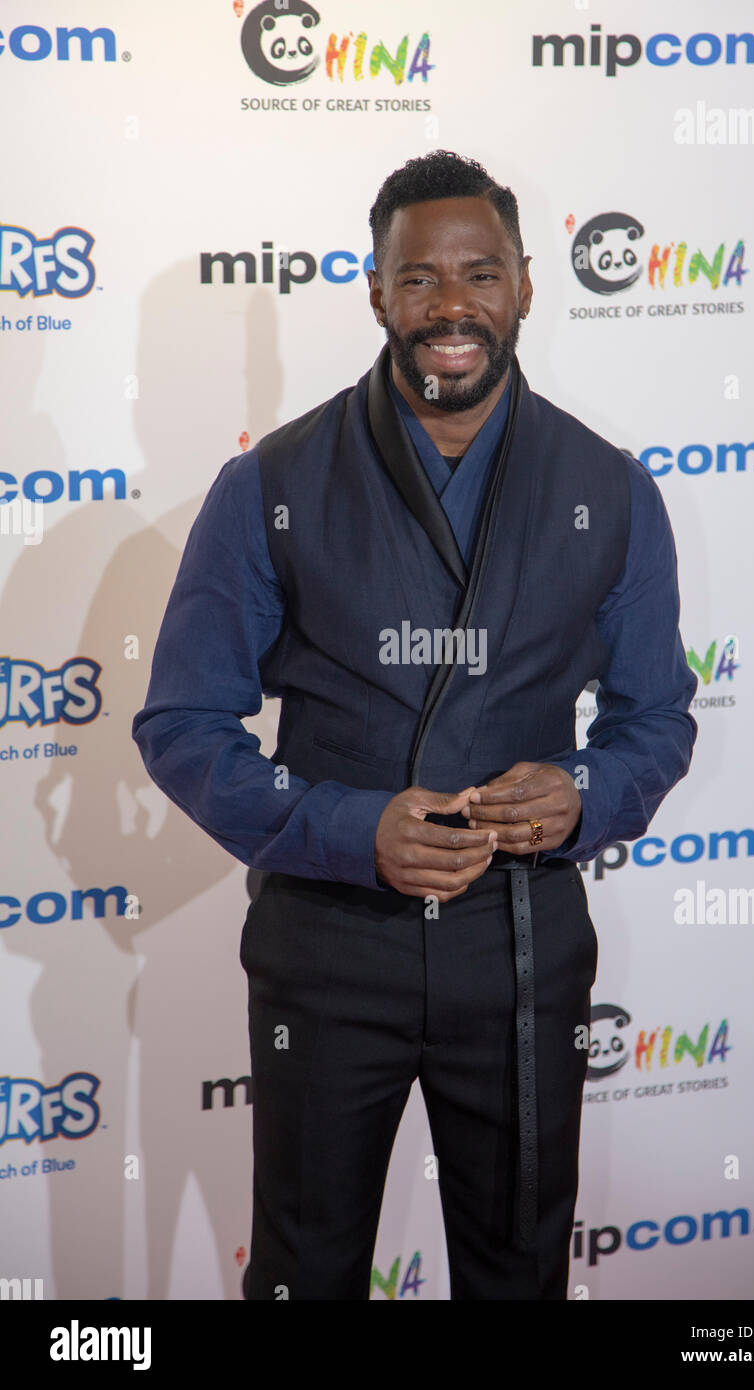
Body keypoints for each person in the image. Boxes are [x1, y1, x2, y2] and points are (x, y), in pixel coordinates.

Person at [132, 150, 698, 1301]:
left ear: (526, 284)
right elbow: (184, 722)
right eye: (419, 278)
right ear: (377, 291)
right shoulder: (271, 484)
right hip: (329, 946)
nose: (451, 306)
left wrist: (585, 793)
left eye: (479, 273)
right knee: (305, 1268)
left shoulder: (611, 487)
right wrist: (347, 828)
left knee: (520, 1270)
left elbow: (656, 720)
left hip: (523, 946)